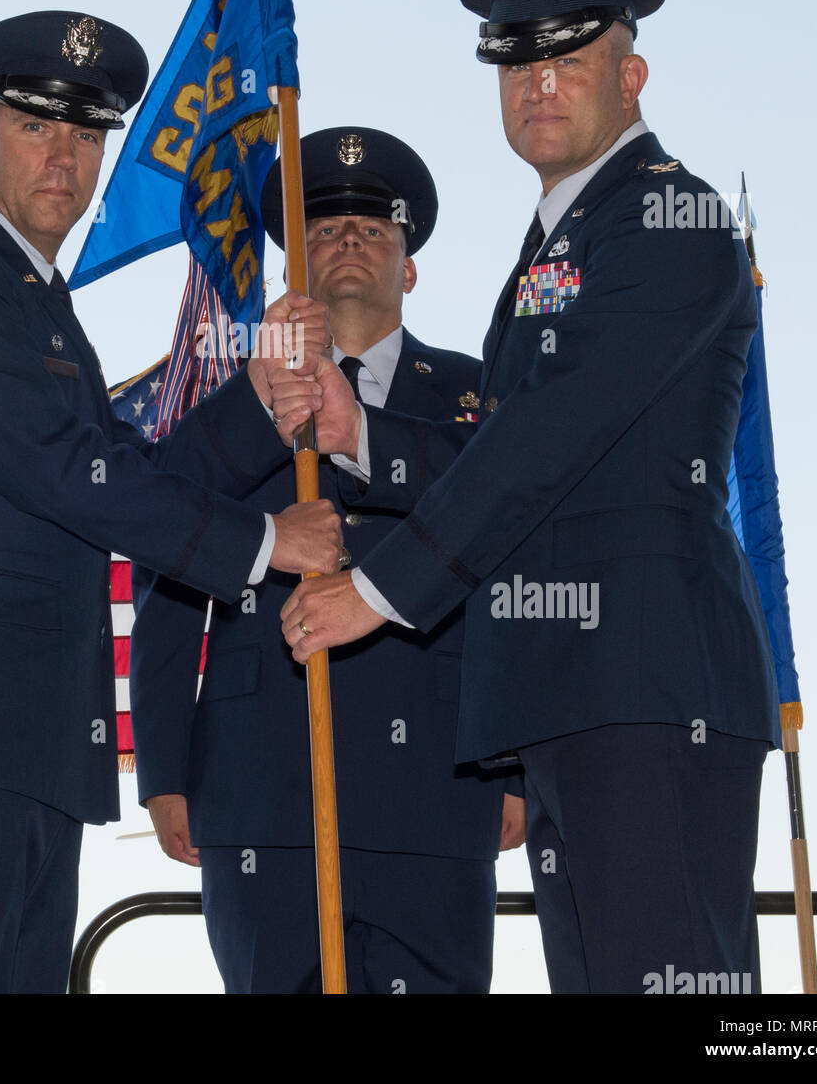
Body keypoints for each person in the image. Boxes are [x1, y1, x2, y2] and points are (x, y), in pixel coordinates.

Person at [275, 0, 781, 995]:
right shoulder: (561, 237)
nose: (536, 87)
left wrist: (379, 589)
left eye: (566, 60)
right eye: (515, 67)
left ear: (629, 75)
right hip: (566, 695)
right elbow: (509, 444)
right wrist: (359, 432)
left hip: (645, 687)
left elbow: (557, 430)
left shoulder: (665, 217)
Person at [0, 10, 341, 993]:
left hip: (22, 739)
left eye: (85, 133)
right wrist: (266, 539)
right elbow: (70, 473)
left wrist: (260, 399)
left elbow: (124, 462)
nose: (65, 155)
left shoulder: (33, 302)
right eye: (33, 127)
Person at [130, 126, 523, 994]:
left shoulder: (477, 396)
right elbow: (165, 572)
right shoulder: (233, 402)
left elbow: (511, 578)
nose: (349, 239)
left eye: (374, 229)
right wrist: (164, 770)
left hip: (436, 787)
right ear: (289, 271)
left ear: (410, 267)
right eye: (324, 228)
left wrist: (517, 765)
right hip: (259, 788)